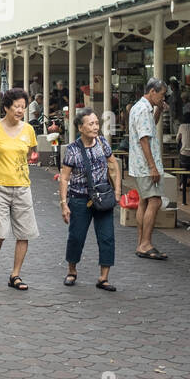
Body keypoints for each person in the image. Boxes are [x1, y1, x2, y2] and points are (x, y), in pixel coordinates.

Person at [0, 87, 39, 290]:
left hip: (22, 187)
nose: (20, 110)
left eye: (23, 106)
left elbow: (29, 154)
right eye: (16, 106)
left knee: (24, 233)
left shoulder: (29, 130)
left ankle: (15, 275)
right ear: (6, 107)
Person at [60, 108, 121, 291]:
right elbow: (64, 178)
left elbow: (113, 164)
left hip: (103, 198)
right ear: (81, 127)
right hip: (79, 199)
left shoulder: (102, 142)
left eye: (97, 123)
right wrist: (64, 204)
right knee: (76, 237)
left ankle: (103, 277)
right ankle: (72, 271)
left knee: (107, 237)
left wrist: (117, 191)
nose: (96, 127)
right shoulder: (72, 150)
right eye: (91, 124)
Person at [129, 78, 168, 260]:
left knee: (144, 201)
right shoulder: (144, 109)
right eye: (162, 94)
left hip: (139, 164)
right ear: (152, 91)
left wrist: (159, 109)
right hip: (145, 165)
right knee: (155, 201)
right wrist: (153, 166)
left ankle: (141, 242)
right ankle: (145, 244)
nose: (163, 98)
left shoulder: (140, 108)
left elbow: (150, 126)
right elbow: (144, 139)